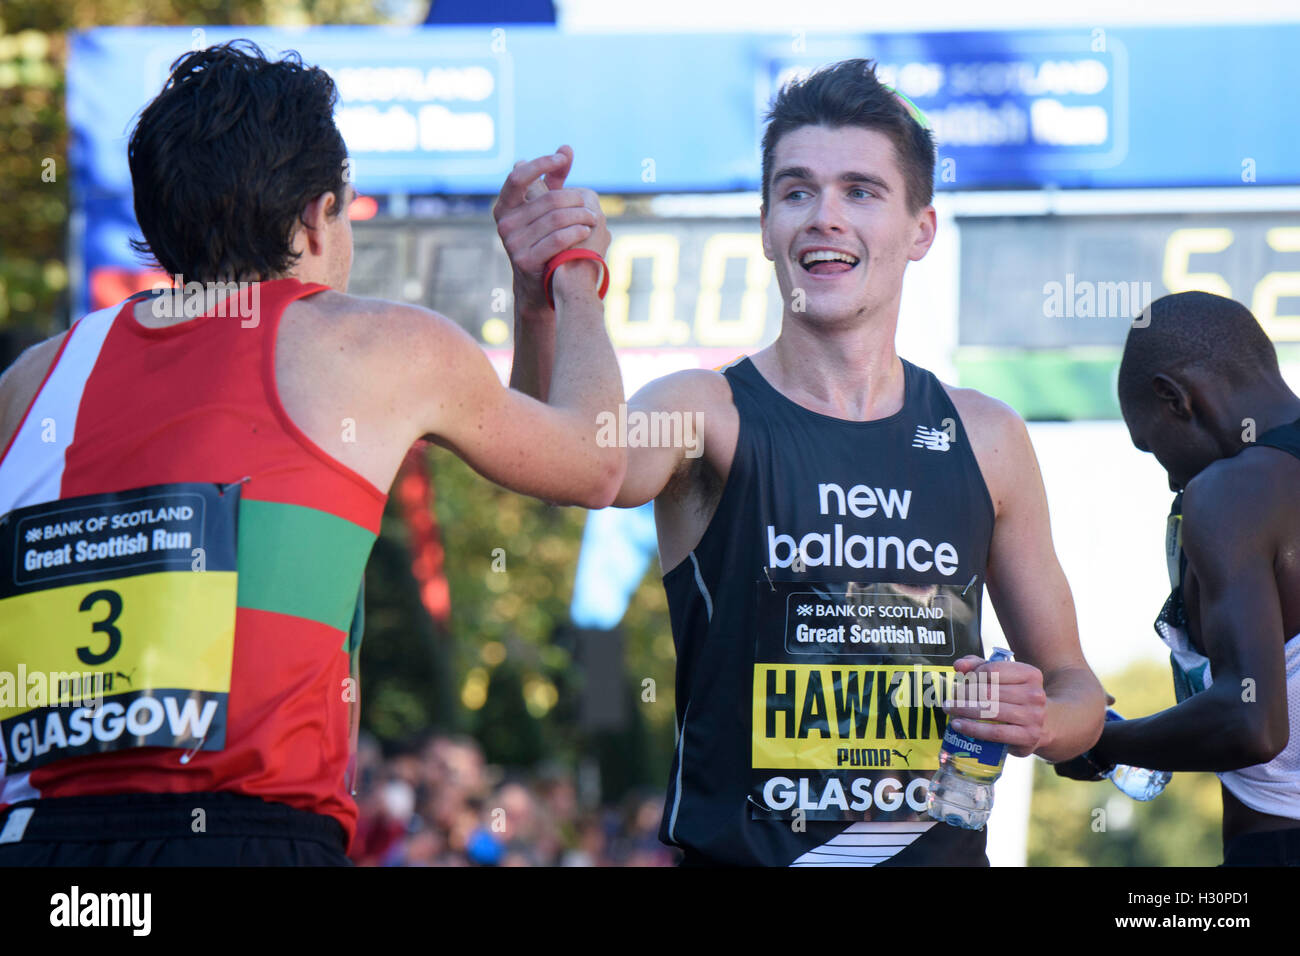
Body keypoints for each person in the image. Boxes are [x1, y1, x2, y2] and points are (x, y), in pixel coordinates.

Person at [0, 40, 623, 865]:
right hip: (250, 839)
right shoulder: (370, 344)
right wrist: (568, 270)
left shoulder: (32, 380)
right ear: (317, 214)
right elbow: (593, 459)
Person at [510, 58, 1105, 866]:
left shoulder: (987, 436)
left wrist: (1038, 720)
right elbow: (579, 461)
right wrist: (554, 292)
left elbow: (1076, 691)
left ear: (919, 229)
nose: (825, 216)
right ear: (765, 225)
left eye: (860, 191)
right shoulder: (707, 411)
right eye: (797, 191)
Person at [1055, 291, 1300, 866]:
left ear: (1174, 397)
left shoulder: (1232, 491)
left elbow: (1252, 722)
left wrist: (1096, 741)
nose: (1169, 479)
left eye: (1151, 445)